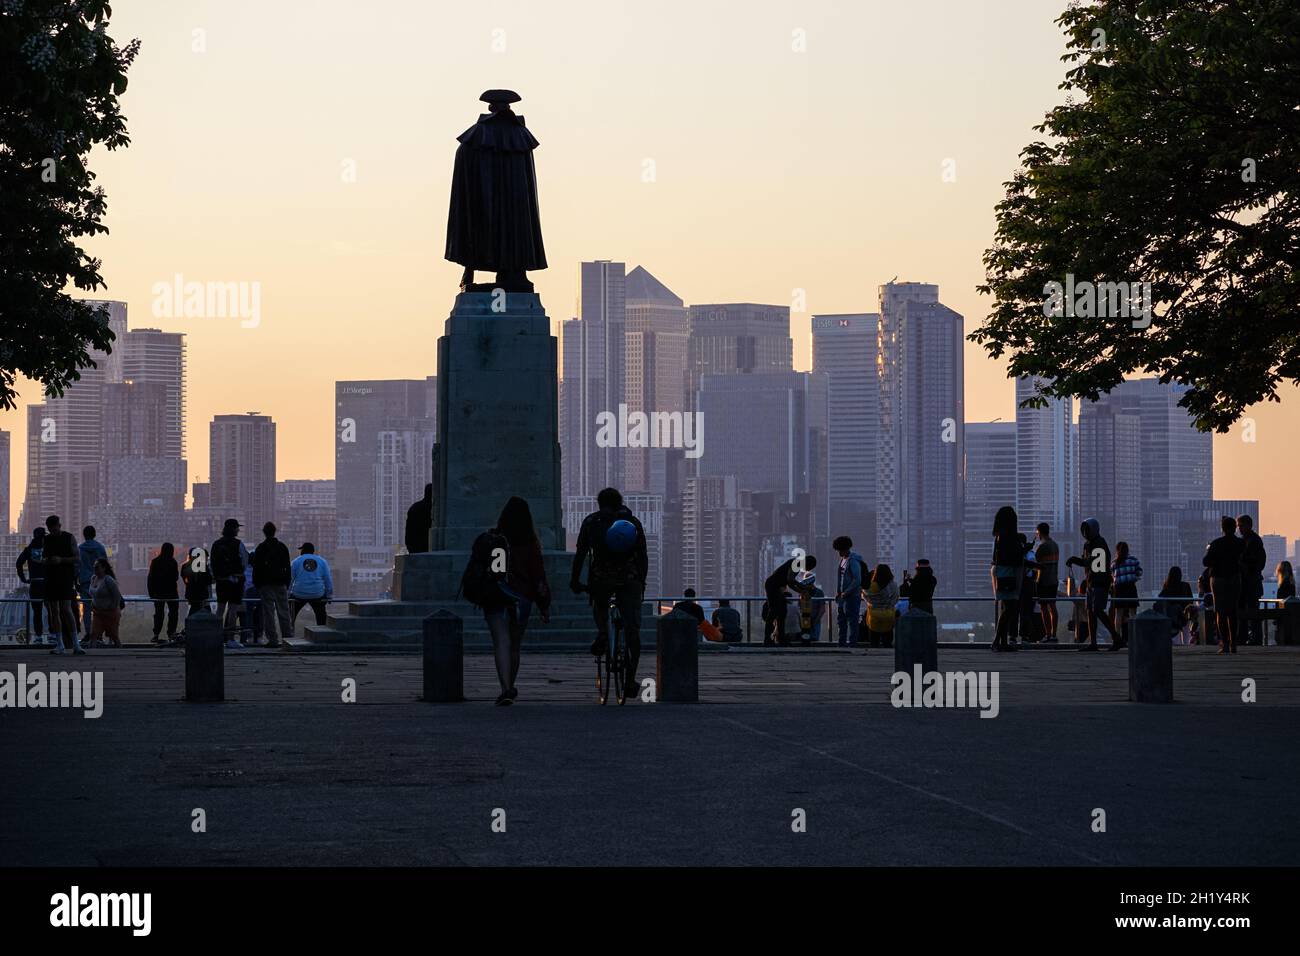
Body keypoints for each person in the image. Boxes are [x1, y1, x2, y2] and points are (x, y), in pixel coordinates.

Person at [570, 488, 648, 695]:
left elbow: (581, 553)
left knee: (600, 605)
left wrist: (575, 580)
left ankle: (603, 633)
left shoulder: (591, 521)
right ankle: (630, 680)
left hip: (601, 578)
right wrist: (642, 581)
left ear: (599, 502)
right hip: (629, 579)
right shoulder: (632, 523)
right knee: (633, 630)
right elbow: (642, 555)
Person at [487, 496, 551, 705]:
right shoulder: (531, 543)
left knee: (501, 642)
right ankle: (510, 685)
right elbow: (538, 577)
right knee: (514, 645)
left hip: (497, 596)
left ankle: (505, 687)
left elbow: (494, 571)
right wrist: (544, 605)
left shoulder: (495, 539)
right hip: (521, 598)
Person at [1065, 517, 1121, 652]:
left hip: (1100, 582)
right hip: (1091, 582)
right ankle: (1094, 642)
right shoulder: (1089, 545)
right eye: (1083, 529)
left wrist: (1075, 560)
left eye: (1087, 529)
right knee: (1090, 611)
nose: (1085, 532)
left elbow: (1093, 563)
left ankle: (1116, 637)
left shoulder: (1099, 544)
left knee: (1097, 610)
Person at [1203, 515, 1244, 654]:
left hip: (1218, 579)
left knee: (1220, 611)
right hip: (1234, 577)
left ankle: (1224, 643)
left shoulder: (1216, 544)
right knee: (1233, 611)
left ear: (1222, 529)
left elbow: (1206, 562)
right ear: (1235, 528)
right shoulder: (1240, 543)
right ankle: (1234, 644)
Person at [42, 515, 81, 655]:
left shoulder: (69, 537)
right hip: (51, 578)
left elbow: (77, 558)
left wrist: (61, 560)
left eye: (55, 528)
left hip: (65, 578)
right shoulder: (46, 540)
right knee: (54, 611)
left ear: (59, 525)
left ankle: (75, 643)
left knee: (66, 609)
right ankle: (61, 644)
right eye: (51, 530)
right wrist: (47, 561)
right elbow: (43, 558)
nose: (53, 531)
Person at [250, 522, 293, 648]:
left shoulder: (261, 548)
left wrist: (257, 584)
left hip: (265, 584)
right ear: (275, 531)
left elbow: (256, 568)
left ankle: (272, 639)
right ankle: (287, 638)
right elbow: (287, 566)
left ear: (264, 532)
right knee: (284, 612)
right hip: (280, 584)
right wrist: (287, 582)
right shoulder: (282, 547)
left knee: (268, 613)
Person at [764, 551, 818, 646]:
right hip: (773, 586)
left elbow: (790, 581)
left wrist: (801, 589)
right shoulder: (796, 563)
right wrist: (802, 588)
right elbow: (790, 580)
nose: (807, 570)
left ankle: (781, 639)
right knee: (773, 612)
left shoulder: (796, 563)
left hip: (776, 587)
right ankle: (768, 639)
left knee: (782, 613)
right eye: (809, 568)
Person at [211, 519, 250, 649]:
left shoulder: (216, 544)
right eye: (237, 528)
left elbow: (212, 564)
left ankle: (216, 638)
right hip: (235, 581)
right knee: (233, 610)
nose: (238, 530)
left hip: (221, 582)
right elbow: (245, 561)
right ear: (234, 529)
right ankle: (230, 639)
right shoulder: (238, 544)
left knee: (220, 610)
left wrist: (217, 577)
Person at [990, 506, 1024, 652]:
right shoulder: (1008, 537)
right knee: (1009, 608)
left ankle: (1003, 642)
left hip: (1000, 572)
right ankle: (997, 641)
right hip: (1007, 572)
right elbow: (1012, 556)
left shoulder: (999, 535)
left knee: (1005, 607)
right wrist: (1022, 549)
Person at [15, 527, 48, 646]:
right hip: (47, 583)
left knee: (37, 611)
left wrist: (23, 578)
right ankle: (53, 635)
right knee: (51, 609)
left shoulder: (29, 549)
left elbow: (18, 563)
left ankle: (38, 636)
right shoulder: (48, 548)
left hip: (35, 583)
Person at [1237, 514, 1266, 646]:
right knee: (1249, 612)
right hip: (1250, 584)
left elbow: (1255, 562)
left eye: (1241, 526)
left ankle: (1252, 638)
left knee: (1250, 613)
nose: (1239, 529)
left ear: (1248, 526)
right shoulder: (1252, 540)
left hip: (1249, 584)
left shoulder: (1252, 541)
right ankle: (1251, 637)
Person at [833, 536, 866, 646]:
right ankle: (841, 643)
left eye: (839, 550)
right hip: (842, 597)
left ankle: (852, 644)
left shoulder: (853, 561)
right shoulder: (842, 560)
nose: (838, 553)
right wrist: (839, 592)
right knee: (841, 621)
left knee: (852, 621)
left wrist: (846, 592)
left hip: (852, 596)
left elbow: (857, 579)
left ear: (844, 548)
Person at [290, 543, 334, 628]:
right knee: (321, 616)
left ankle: (289, 632)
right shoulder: (322, 561)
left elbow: (290, 580)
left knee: (291, 614)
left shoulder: (296, 561)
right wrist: (329, 595)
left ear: (303, 550)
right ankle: (322, 632)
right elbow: (328, 579)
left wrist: (287, 595)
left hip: (299, 593)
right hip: (317, 593)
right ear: (312, 551)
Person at [76, 525, 108, 636]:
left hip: (85, 582)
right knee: (99, 609)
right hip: (99, 582)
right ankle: (98, 634)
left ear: (84, 535)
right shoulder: (100, 548)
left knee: (86, 609)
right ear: (94, 534)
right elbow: (106, 566)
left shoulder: (79, 549)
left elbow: (76, 567)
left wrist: (76, 583)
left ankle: (88, 633)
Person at [1111, 540, 1143, 649]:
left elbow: (1112, 577)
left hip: (1119, 589)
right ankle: (1134, 636)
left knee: (1118, 614)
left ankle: (1117, 637)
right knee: (1132, 613)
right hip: (1130, 588)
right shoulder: (1133, 560)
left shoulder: (1114, 563)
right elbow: (1139, 572)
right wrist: (1133, 576)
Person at [147, 543, 181, 644]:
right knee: (173, 613)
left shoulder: (155, 562)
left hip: (158, 593)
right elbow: (176, 577)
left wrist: (151, 593)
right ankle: (171, 633)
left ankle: (156, 634)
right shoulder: (173, 562)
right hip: (171, 592)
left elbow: (150, 579)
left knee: (159, 614)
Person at [86, 558, 124, 648]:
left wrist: (112, 607)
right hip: (97, 612)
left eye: (97, 567)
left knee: (114, 635)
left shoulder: (109, 580)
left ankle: (120, 652)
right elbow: (93, 594)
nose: (95, 569)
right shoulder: (93, 578)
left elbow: (117, 596)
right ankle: (93, 654)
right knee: (94, 633)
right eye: (94, 567)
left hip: (110, 613)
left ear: (104, 568)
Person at [1154, 566, 1195, 645]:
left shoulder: (1167, 586)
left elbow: (1160, 598)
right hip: (1184, 614)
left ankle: (1176, 644)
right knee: (1186, 631)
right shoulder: (1185, 585)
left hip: (1172, 616)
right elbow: (1191, 600)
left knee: (1175, 635)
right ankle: (1186, 645)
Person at [1034, 523, 1061, 642]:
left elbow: (1035, 563)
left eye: (1037, 533)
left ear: (1040, 532)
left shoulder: (1042, 547)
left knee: (1044, 608)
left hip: (1043, 581)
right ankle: (1054, 634)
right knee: (1053, 607)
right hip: (1054, 580)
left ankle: (1048, 634)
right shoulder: (1055, 545)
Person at [865, 564, 899, 648]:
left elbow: (865, 595)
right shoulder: (893, 585)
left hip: (874, 617)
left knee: (874, 641)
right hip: (889, 615)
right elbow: (896, 598)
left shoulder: (872, 586)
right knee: (887, 640)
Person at [181, 546, 214, 636]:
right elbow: (209, 580)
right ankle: (207, 633)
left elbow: (185, 579)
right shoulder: (202, 567)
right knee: (205, 614)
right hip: (202, 595)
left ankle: (189, 632)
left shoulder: (184, 566)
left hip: (191, 593)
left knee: (193, 611)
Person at [405, 483, 433, 555]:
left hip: (415, 549)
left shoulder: (415, 507)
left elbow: (409, 532)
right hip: (429, 547)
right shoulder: (435, 509)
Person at [1276, 561, 1296, 645]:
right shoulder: (1291, 583)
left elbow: (1281, 600)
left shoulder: (1283, 584)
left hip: (1283, 612)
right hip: (1290, 612)